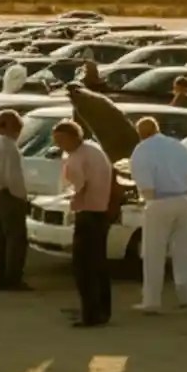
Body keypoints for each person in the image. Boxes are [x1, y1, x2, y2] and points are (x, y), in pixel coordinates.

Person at [129, 117, 187, 313]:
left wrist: (147, 202)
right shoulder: (177, 145)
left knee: (153, 253)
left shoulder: (141, 151)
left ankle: (152, 301)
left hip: (159, 201)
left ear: (140, 133)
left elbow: (146, 184)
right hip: (184, 200)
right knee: (184, 252)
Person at [54, 120, 115, 328]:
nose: (59, 145)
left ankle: (91, 314)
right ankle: (101, 311)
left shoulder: (80, 156)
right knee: (98, 265)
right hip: (99, 211)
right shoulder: (92, 149)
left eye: (60, 140)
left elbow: (77, 185)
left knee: (84, 267)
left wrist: (69, 200)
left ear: (72, 137)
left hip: (89, 212)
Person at [0, 110, 31, 292]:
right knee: (16, 239)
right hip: (8, 196)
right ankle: (13, 279)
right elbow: (13, 178)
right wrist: (22, 198)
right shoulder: (9, 147)